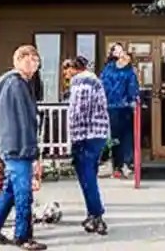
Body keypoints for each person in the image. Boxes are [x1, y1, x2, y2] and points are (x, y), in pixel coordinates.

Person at [0, 45, 46, 250]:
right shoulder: (17, 84)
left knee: (10, 189)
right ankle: (23, 236)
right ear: (17, 61)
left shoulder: (10, 83)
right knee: (23, 193)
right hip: (18, 146)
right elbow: (25, 121)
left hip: (11, 144)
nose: (33, 64)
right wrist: (33, 152)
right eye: (28, 59)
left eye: (36, 60)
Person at [62, 56, 111, 235]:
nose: (65, 74)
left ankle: (96, 214)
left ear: (74, 68)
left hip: (86, 135)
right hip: (97, 134)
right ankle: (92, 213)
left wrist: (75, 139)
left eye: (66, 69)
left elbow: (79, 112)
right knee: (90, 175)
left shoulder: (82, 82)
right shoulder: (94, 81)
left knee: (86, 176)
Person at [101, 48, 140, 180]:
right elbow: (103, 86)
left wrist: (134, 100)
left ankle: (126, 163)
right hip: (111, 107)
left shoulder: (129, 73)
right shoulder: (108, 70)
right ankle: (118, 164)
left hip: (124, 108)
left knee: (126, 137)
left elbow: (133, 89)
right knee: (115, 138)